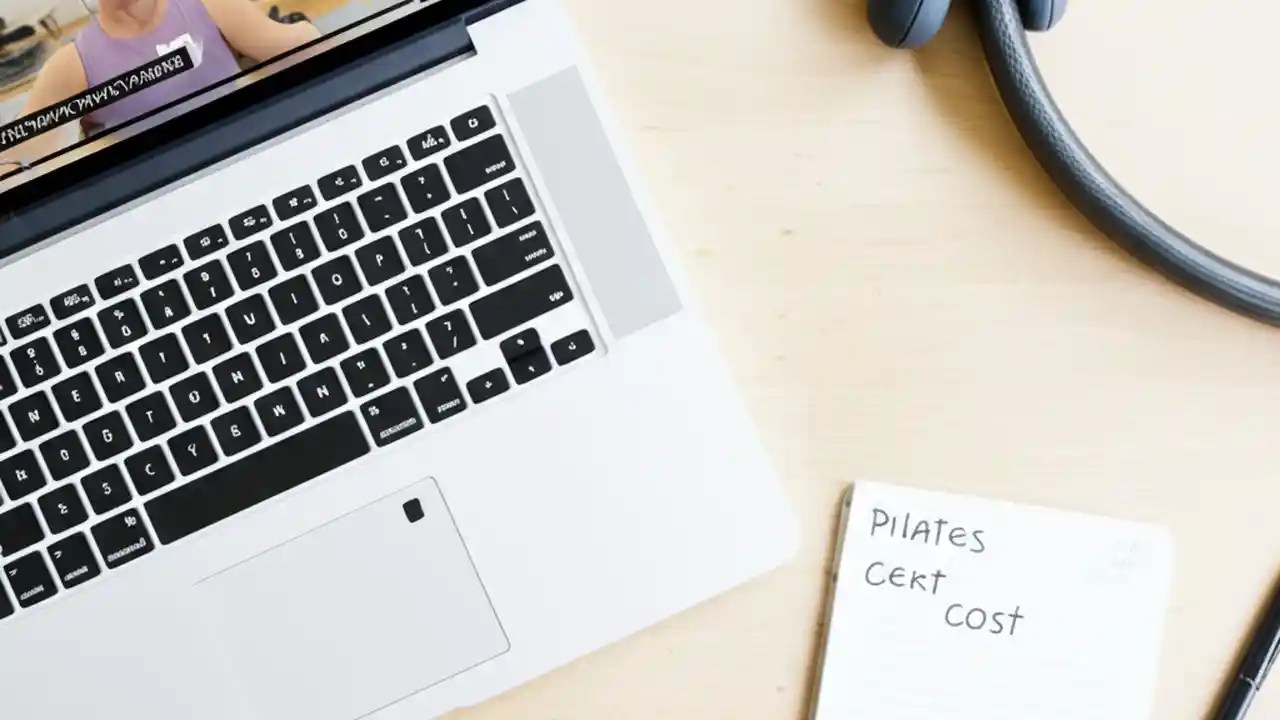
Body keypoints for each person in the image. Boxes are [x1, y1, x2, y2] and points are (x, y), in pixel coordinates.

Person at [0, 0, 319, 167]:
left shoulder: (209, 4)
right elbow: (15, 156)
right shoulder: (73, 65)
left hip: (246, 160)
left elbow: (298, 47)